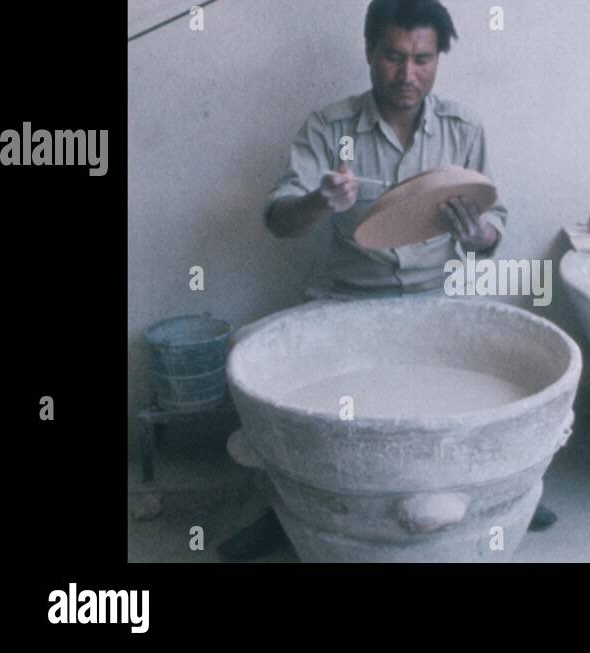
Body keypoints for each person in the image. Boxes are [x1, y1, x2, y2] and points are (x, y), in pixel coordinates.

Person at [219, 0, 556, 562]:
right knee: (258, 368)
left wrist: (479, 238)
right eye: (393, 58)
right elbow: (278, 221)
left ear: (439, 58)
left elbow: (494, 220)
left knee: (477, 397)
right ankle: (288, 507)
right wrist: (319, 202)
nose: (407, 75)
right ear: (370, 54)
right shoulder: (329, 128)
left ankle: (495, 492)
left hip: (437, 298)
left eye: (423, 59)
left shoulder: (463, 128)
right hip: (345, 299)